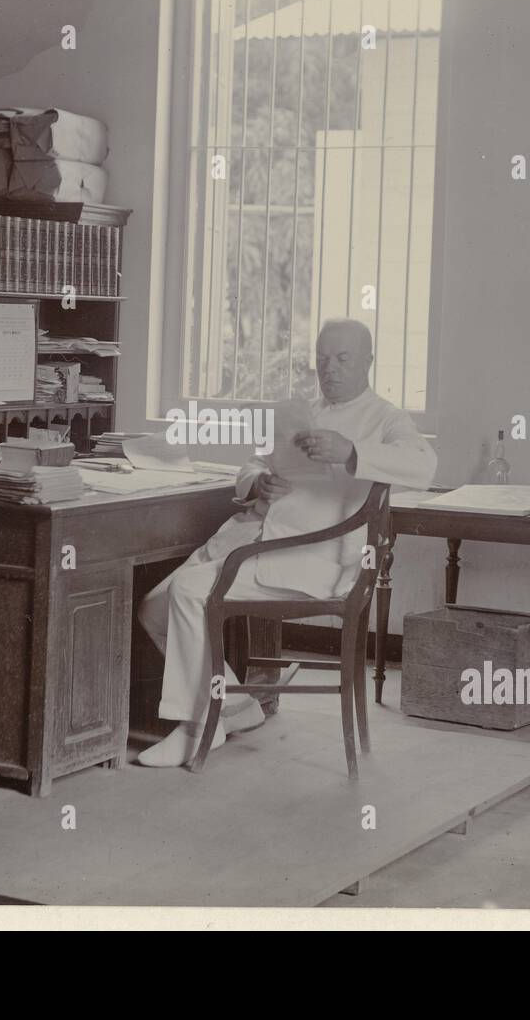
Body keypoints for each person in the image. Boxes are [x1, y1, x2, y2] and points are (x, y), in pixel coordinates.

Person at [136, 318, 438, 767]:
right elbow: (251, 463)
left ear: (369, 362)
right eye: (321, 359)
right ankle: (236, 706)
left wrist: (351, 452)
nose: (329, 369)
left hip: (311, 558)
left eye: (342, 359)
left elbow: (424, 465)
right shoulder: (303, 412)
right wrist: (258, 483)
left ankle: (199, 726)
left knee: (186, 592)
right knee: (154, 608)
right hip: (254, 540)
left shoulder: (386, 419)